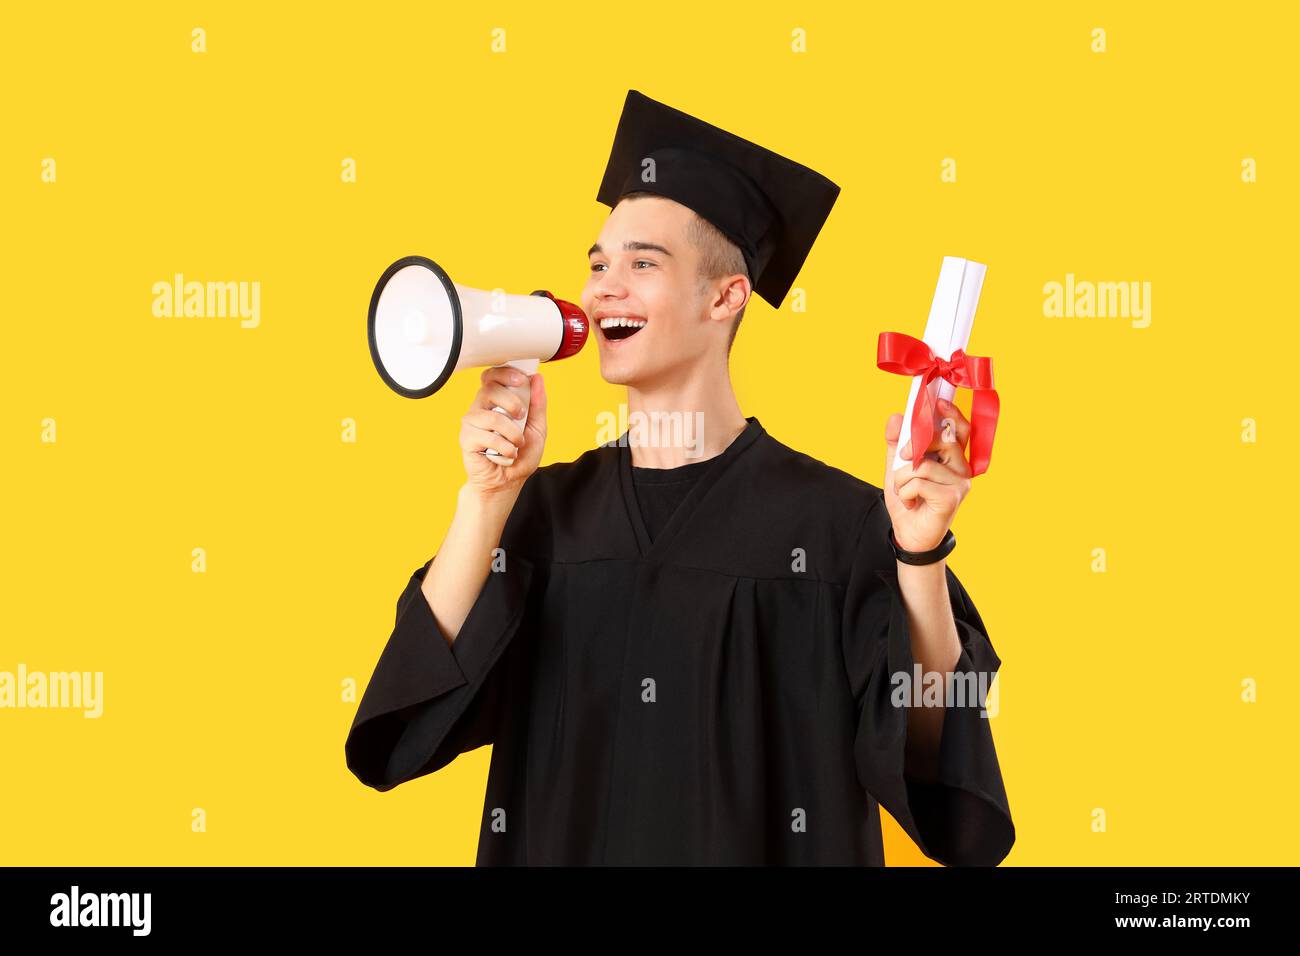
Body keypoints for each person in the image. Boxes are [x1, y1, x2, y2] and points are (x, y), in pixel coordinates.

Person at [345, 89, 1015, 866]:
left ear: (728, 296)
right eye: (597, 265)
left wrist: (919, 556)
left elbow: (938, 758)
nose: (601, 290)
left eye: (641, 263)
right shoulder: (545, 516)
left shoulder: (841, 527)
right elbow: (403, 721)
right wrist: (486, 499)